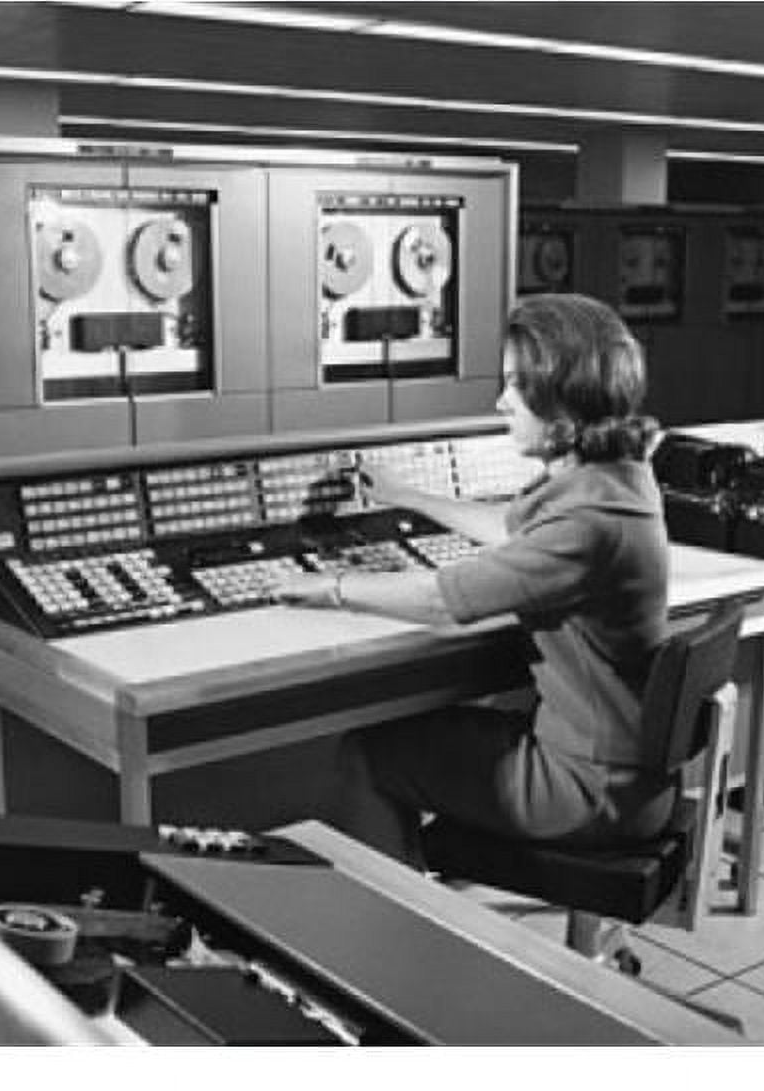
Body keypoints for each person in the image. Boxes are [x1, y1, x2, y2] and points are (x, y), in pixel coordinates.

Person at [272, 293, 672, 867]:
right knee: (425, 730)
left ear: (562, 409)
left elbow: (440, 602)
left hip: (588, 790)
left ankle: (396, 917)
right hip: (626, 774)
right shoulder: (618, 482)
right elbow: (515, 532)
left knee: (370, 752)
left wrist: (333, 587)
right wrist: (407, 495)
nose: (500, 402)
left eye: (515, 386)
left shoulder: (588, 522)